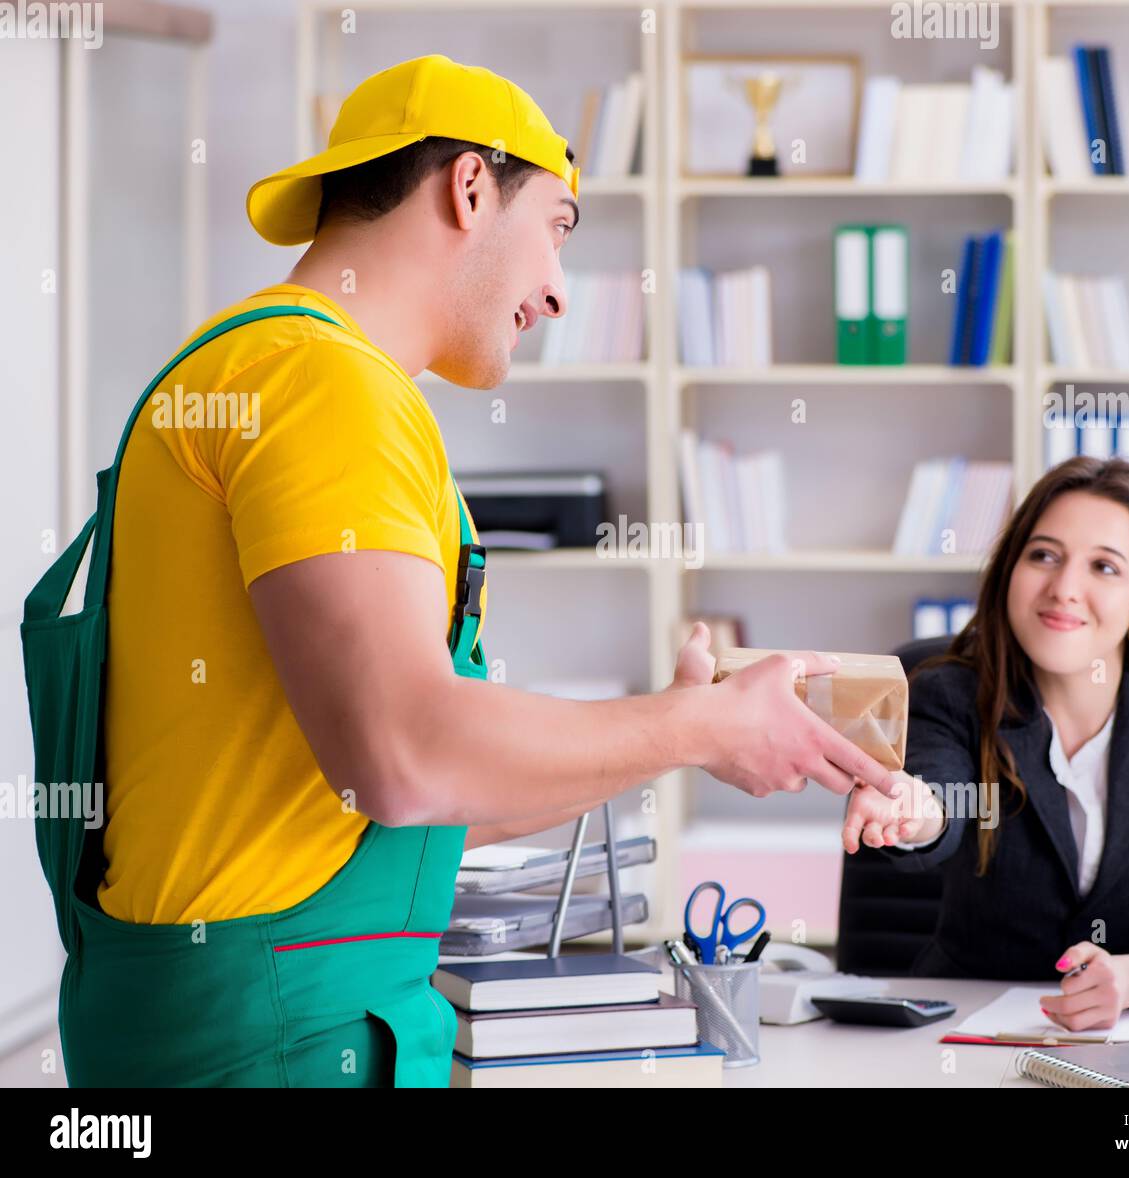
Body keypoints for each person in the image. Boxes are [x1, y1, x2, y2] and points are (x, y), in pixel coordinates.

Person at [45, 55, 896, 1087]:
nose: (557, 293)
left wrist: (677, 733)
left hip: (228, 1012)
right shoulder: (327, 384)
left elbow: (394, 794)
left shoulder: (241, 365)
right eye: (559, 227)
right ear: (469, 186)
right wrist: (699, 725)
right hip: (278, 1035)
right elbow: (404, 755)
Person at [841, 456, 1129, 1032]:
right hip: (966, 1034)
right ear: (1010, 570)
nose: (1065, 588)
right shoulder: (950, 692)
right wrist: (914, 810)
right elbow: (942, 792)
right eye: (1044, 555)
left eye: (1105, 567)